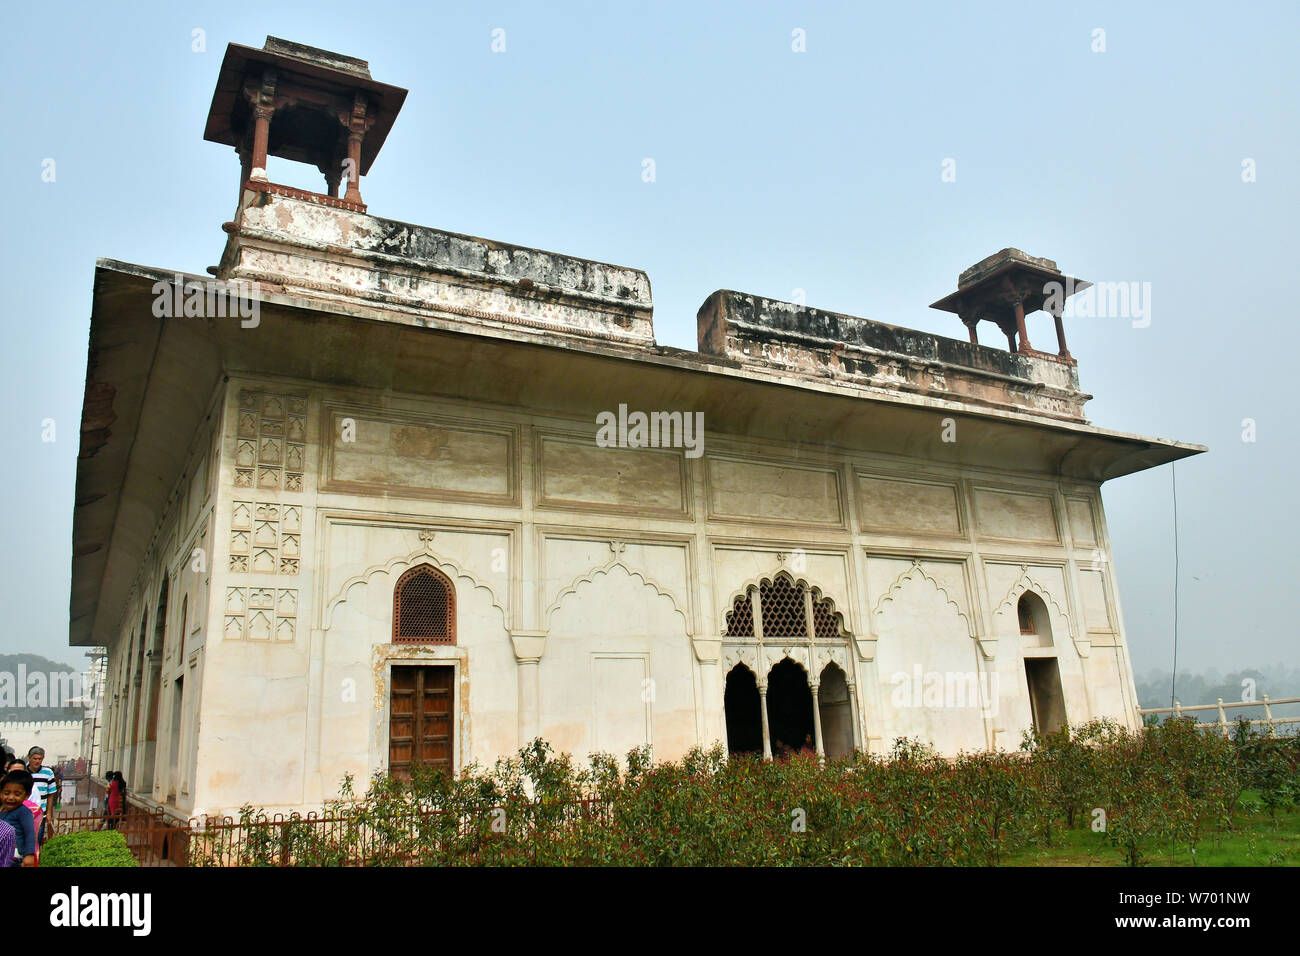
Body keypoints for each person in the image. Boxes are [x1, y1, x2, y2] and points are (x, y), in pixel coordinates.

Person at [0, 770, 37, 866]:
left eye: (17, 794)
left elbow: (30, 834)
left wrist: (29, 855)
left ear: (27, 795)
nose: (11, 797)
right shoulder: (3, 811)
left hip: (13, 856)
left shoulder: (24, 812)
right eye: (7, 793)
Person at [27, 747, 56, 844]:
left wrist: (48, 812)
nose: (37, 761)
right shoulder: (23, 772)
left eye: (40, 759)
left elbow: (51, 794)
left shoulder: (48, 772)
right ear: (29, 758)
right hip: (24, 812)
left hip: (40, 814)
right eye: (35, 759)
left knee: (37, 841)